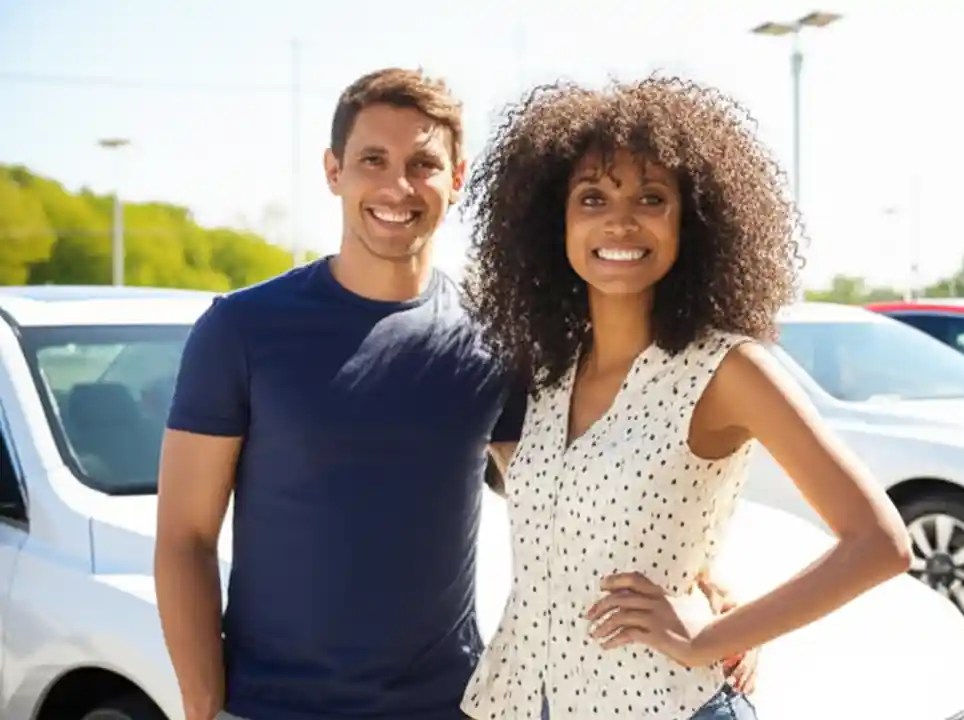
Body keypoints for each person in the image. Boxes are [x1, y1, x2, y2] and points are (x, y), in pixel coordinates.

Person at [154, 67, 750, 720]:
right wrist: (202, 705)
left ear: (457, 179)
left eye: (422, 164)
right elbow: (185, 537)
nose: (397, 187)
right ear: (334, 172)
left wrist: (701, 593)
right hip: (272, 707)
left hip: (449, 705)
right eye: (372, 161)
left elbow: (570, 503)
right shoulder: (241, 329)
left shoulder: (498, 340)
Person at [459, 77, 913, 719]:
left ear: (691, 222)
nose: (620, 220)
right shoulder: (541, 374)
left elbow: (879, 543)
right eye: (592, 197)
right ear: (554, 223)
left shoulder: (727, 370)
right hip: (520, 700)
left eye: (651, 198)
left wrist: (717, 636)